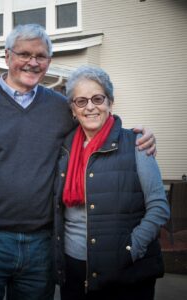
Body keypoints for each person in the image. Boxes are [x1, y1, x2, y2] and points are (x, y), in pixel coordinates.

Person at [0, 24, 156, 300]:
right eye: (24, 54)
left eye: (40, 56)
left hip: (41, 246)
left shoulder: (60, 107)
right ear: (7, 56)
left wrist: (139, 136)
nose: (32, 62)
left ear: (49, 62)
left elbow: (97, 124)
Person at [53, 66, 170, 300]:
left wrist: (131, 249)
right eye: (81, 101)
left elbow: (159, 208)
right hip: (74, 268)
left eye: (98, 98)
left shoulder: (136, 144)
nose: (90, 107)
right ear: (73, 110)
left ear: (110, 102)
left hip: (126, 270)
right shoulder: (63, 150)